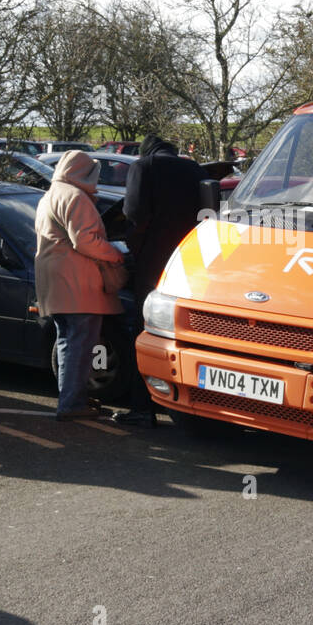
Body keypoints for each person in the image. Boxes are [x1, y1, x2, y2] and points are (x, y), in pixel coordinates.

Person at [112, 134, 209, 427]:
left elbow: (134, 215)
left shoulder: (144, 167)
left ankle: (143, 408)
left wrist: (135, 251)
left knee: (144, 335)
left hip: (153, 267)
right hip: (192, 267)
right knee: (186, 340)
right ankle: (189, 407)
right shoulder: (195, 170)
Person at [34, 150, 124, 421]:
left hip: (56, 283)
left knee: (67, 343)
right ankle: (72, 403)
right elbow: (85, 241)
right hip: (78, 283)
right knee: (81, 345)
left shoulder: (51, 194)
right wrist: (115, 254)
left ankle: (70, 399)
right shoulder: (75, 197)